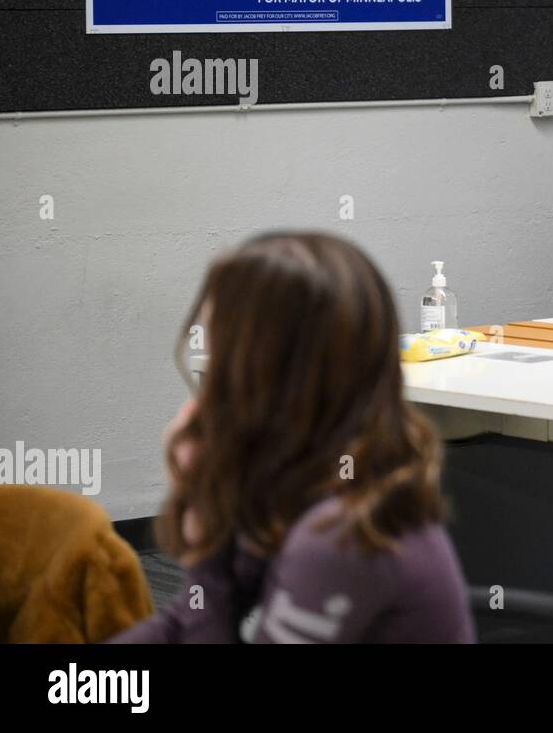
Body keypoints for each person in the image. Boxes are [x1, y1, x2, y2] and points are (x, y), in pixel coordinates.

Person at [110, 232, 473, 643]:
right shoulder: (304, 482)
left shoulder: (338, 537)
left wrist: (205, 542)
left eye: (223, 353)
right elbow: (180, 623)